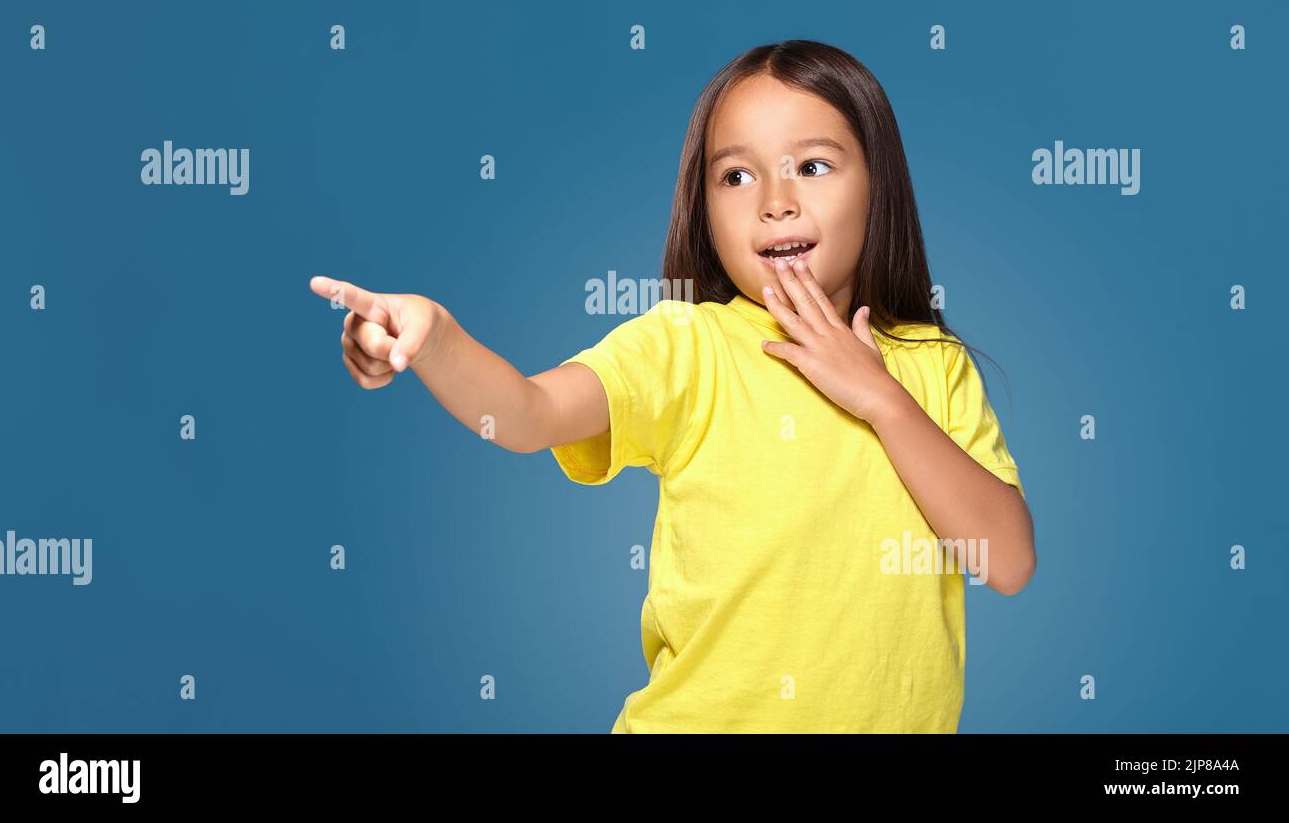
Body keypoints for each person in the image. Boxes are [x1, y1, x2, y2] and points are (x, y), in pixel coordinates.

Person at [309, 39, 1036, 733]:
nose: (775, 201)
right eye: (737, 176)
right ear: (705, 209)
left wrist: (879, 396)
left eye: (812, 167)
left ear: (880, 186)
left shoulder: (932, 365)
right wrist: (436, 339)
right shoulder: (686, 347)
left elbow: (1004, 561)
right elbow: (526, 414)